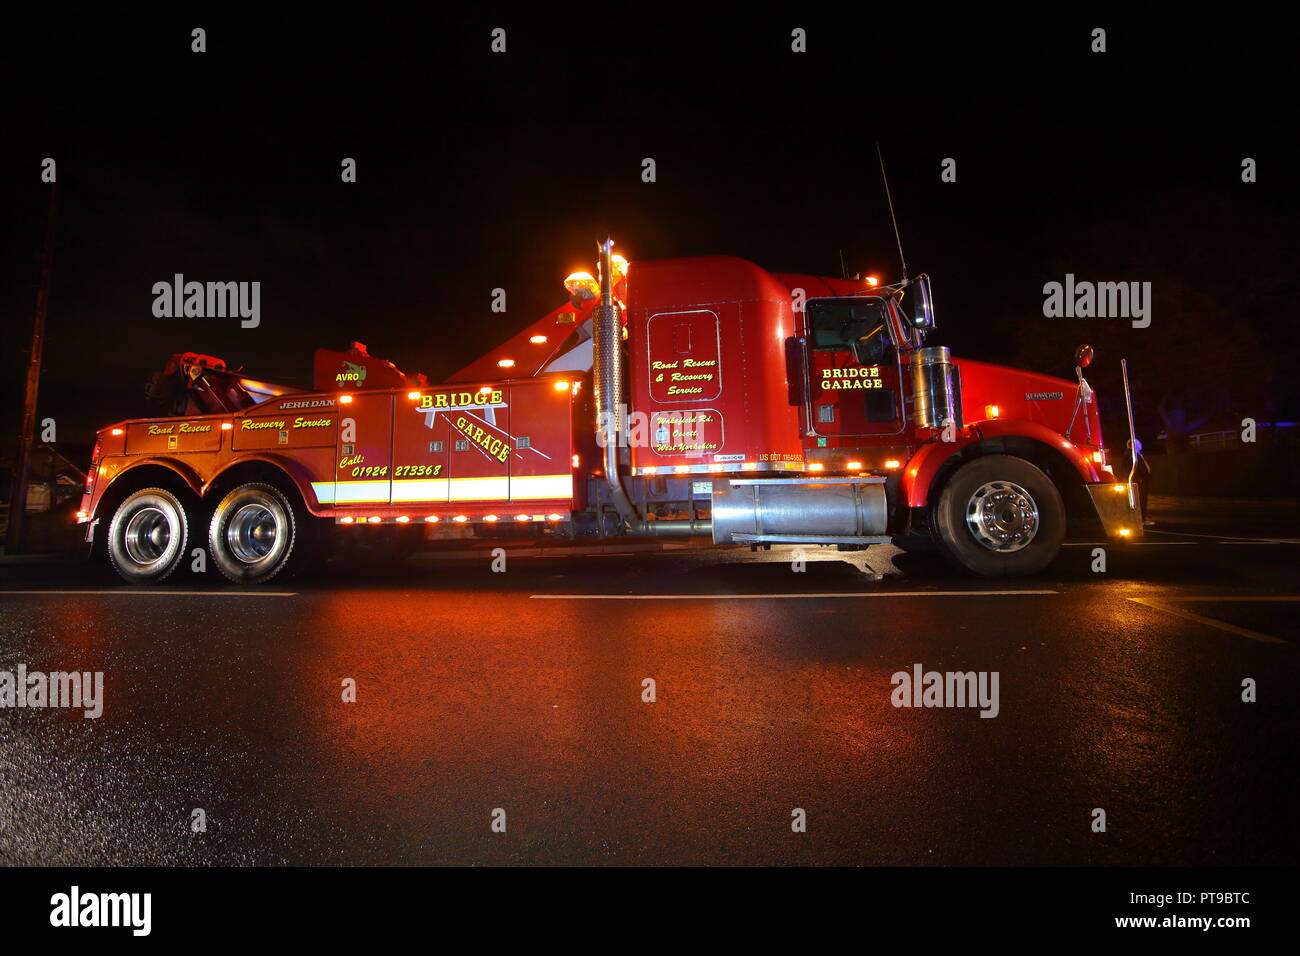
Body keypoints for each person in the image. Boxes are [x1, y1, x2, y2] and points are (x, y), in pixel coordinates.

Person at [1123, 438, 1154, 526]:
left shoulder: (1136, 453)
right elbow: (1130, 468)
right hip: (1139, 482)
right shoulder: (1130, 454)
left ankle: (1143, 518)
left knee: (1142, 500)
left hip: (1142, 480)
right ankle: (1141, 519)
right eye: (1137, 443)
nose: (1140, 445)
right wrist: (1139, 478)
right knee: (1140, 500)